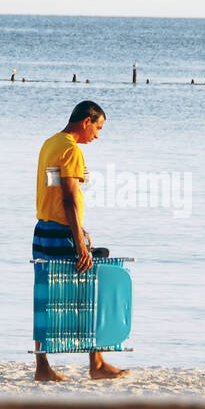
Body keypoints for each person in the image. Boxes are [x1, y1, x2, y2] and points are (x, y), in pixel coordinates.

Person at [32, 100, 128, 382]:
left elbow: (53, 190)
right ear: (86, 121)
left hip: (43, 230)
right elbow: (69, 197)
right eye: (97, 128)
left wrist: (80, 228)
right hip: (62, 232)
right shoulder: (72, 151)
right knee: (92, 290)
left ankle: (42, 367)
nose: (97, 135)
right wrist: (80, 241)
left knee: (45, 298)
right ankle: (96, 364)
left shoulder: (51, 143)